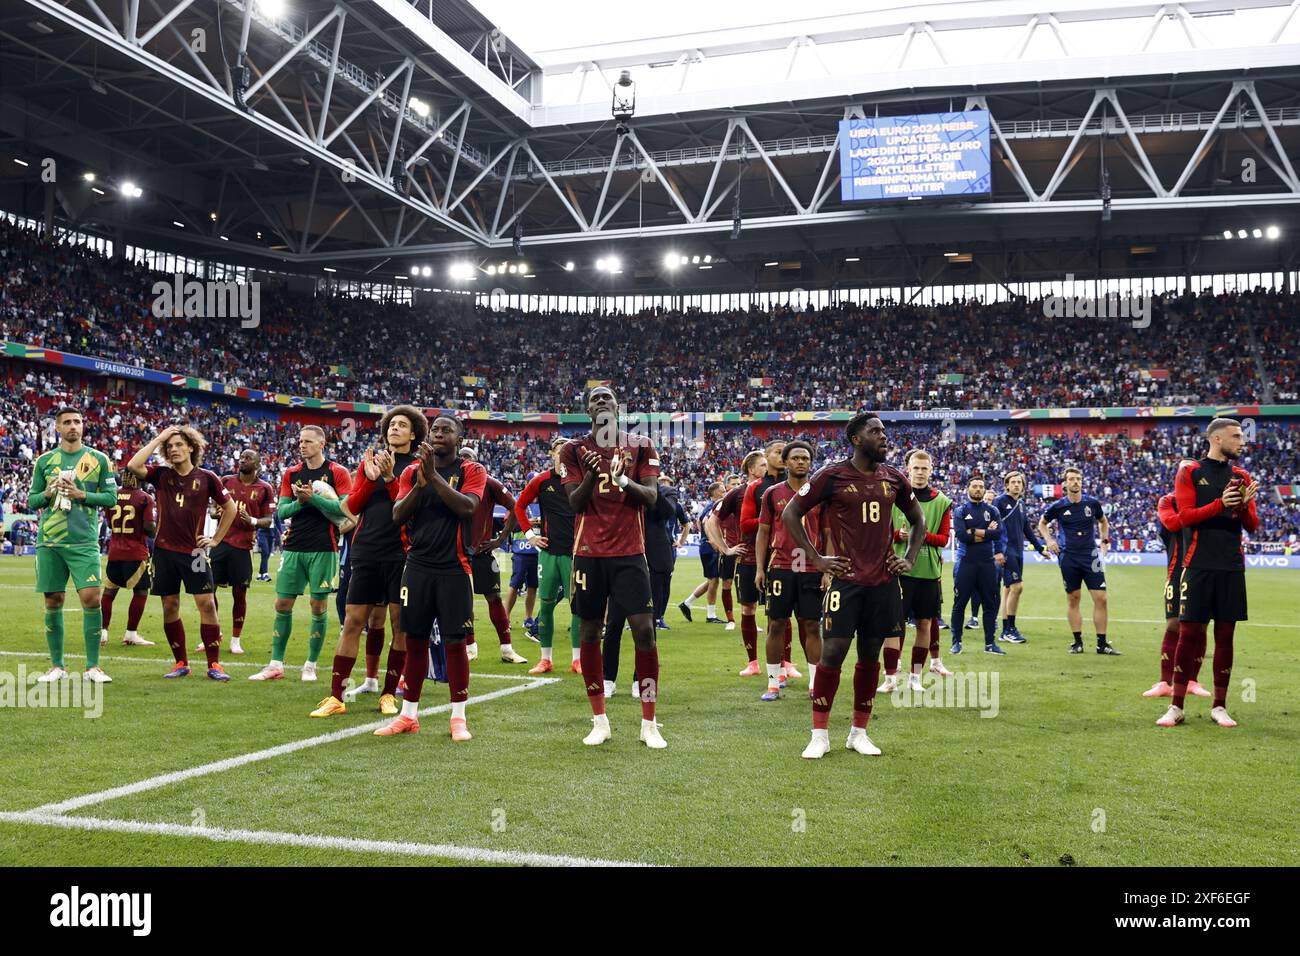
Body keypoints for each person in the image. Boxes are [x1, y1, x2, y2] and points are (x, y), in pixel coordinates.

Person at [782, 413, 926, 759]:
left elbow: (918, 520)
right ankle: (819, 734)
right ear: (856, 439)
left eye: (885, 432)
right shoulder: (830, 475)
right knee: (832, 654)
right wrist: (816, 558)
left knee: (870, 656)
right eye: (876, 432)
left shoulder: (894, 478)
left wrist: (908, 557)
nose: (884, 437)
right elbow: (791, 513)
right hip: (845, 582)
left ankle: (858, 732)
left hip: (883, 583)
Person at [558, 385, 666, 749]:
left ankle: (649, 723)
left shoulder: (641, 445)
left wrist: (622, 480)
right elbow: (574, 504)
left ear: (619, 408)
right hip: (588, 553)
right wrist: (591, 474)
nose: (601, 402)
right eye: (595, 399)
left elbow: (651, 497)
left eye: (608, 398)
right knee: (590, 632)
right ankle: (599, 720)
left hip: (630, 554)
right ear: (587, 410)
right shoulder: (573, 449)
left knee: (645, 632)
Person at [375, 416, 483, 741]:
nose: (438, 434)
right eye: (435, 429)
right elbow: (397, 515)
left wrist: (434, 477)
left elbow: (467, 508)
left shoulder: (471, 471)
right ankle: (409, 715)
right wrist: (420, 486)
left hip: (454, 568)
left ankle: (458, 718)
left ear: (458, 438)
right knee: (416, 640)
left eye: (445, 430)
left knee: (455, 643)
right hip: (417, 567)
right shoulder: (411, 472)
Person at [312, 406, 424, 719]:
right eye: (392, 425)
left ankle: (389, 693)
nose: (395, 429)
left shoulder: (417, 467)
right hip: (366, 549)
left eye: (402, 425)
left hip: (401, 553)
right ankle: (336, 696)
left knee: (399, 624)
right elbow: (354, 506)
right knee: (353, 621)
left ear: (414, 434)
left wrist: (389, 478)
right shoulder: (370, 461)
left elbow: (407, 508)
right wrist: (367, 478)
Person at [1157, 419, 1260, 728]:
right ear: (1217, 438)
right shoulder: (1190, 472)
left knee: (1226, 636)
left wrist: (1242, 506)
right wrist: (1220, 504)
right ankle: (1176, 706)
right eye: (1236, 436)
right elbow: (1184, 517)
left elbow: (1253, 526)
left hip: (1231, 566)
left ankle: (1220, 705)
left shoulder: (1241, 475)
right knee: (1188, 634)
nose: (1242, 442)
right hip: (1198, 565)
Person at [126, 423, 237, 681]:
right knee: (170, 605)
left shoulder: (207, 477)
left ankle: (214, 665)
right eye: (170, 446)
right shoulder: (161, 475)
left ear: (191, 447)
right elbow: (133, 466)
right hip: (164, 553)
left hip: (195, 553)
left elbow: (229, 508)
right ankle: (181, 663)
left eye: (178, 444)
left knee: (207, 604)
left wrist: (216, 540)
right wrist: (159, 438)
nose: (174, 449)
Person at [251, 425, 353, 683]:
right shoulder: (292, 473)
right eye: (300, 441)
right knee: (282, 604)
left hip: (324, 547)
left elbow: (344, 509)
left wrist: (314, 499)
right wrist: (300, 502)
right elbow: (282, 512)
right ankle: (276, 663)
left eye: (308, 441)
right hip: (294, 546)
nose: (302, 445)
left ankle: (311, 664)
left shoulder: (337, 472)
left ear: (322, 444)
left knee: (318, 606)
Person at [29, 406, 119, 683]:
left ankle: (93, 667)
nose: (73, 426)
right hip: (51, 542)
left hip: (84, 541)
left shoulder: (99, 459)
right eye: (67, 422)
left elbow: (111, 498)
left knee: (91, 598)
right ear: (57, 428)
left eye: (77, 421)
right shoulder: (45, 461)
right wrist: (47, 492)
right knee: (53, 599)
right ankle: (57, 666)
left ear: (83, 426)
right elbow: (32, 500)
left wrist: (81, 494)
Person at [754, 440, 823, 701]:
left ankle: (816, 685)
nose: (801, 461)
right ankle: (772, 684)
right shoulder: (772, 493)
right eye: (795, 458)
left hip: (812, 568)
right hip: (781, 567)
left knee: (812, 625)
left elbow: (828, 532)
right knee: (776, 624)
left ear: (810, 462)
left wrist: (826, 568)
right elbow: (763, 532)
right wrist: (760, 568)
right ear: (786, 461)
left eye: (805, 458)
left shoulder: (819, 494)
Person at [881, 448, 953, 691]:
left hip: (928, 573)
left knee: (924, 625)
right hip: (898, 572)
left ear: (931, 471)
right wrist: (896, 535)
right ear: (907, 469)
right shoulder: (893, 497)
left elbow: (943, 539)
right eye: (916, 468)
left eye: (925, 468)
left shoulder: (942, 501)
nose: (920, 472)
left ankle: (915, 678)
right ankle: (890, 678)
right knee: (893, 625)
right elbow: (881, 533)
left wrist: (918, 535)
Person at [515, 438, 583, 675]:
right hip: (548, 554)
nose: (562, 456)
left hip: (576, 554)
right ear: (552, 454)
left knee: (578, 608)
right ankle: (546, 659)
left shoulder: (581, 480)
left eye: (567, 452)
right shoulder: (541, 481)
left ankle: (577, 660)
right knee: (545, 606)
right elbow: (519, 506)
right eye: (558, 451)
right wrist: (530, 535)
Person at [1038, 466, 1119, 655]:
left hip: (1091, 556)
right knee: (1073, 598)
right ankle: (1077, 642)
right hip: (1068, 557)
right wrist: (1049, 540)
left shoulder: (1092, 503)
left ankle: (1102, 643)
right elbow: (1042, 523)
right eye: (1072, 479)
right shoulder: (1058, 506)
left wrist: (1105, 542)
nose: (1076, 482)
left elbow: (1103, 522)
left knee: (1101, 598)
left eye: (1078, 479)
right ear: (1065, 483)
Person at [460, 447, 527, 664]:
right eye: (461, 458)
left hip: (481, 552)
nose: (464, 462)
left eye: (468, 458)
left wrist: (501, 539)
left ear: (478, 463)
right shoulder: (449, 481)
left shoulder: (488, 483)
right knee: (463, 601)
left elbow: (516, 506)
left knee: (494, 598)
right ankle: (470, 647)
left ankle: (507, 649)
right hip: (456, 553)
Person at [1144, 478, 1209, 700]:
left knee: (1200, 625)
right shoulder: (1169, 501)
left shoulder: (1207, 499)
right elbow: (1170, 526)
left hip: (1203, 569)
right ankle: (1164, 681)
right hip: (1176, 569)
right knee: (1173, 623)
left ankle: (1193, 680)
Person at [214, 448, 275, 656]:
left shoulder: (265, 488)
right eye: (241, 457)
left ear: (257, 464)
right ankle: (214, 633)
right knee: (207, 590)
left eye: (248, 458)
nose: (243, 460)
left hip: (243, 546)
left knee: (239, 593)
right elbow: (215, 509)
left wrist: (253, 521)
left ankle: (235, 639)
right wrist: (215, 513)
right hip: (220, 542)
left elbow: (269, 520)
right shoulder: (226, 481)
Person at [711, 453, 767, 672]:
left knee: (778, 613)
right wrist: (726, 548)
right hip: (748, 558)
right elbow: (711, 521)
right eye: (763, 465)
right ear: (752, 469)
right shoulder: (737, 493)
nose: (767, 467)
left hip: (775, 558)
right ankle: (752, 662)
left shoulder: (777, 488)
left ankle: (785, 663)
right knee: (748, 608)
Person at [949, 476, 1007, 656]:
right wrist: (985, 532)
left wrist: (973, 531)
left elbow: (997, 533)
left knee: (990, 604)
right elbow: (961, 535)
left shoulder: (992, 510)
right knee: (960, 604)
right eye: (974, 486)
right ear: (968, 489)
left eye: (981, 487)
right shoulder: (960, 510)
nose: (978, 489)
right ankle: (956, 642)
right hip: (967, 563)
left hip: (987, 564)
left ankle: (990, 644)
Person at [101, 468, 157, 649]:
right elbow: (149, 528)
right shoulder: (145, 498)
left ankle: (102, 632)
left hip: (115, 551)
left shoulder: (112, 496)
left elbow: (109, 523)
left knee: (109, 593)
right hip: (135, 552)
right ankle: (131, 634)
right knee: (140, 592)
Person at [992, 470, 1047, 643]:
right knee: (1017, 587)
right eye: (1013, 482)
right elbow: (992, 528)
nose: (1016, 485)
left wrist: (1039, 548)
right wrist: (997, 551)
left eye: (1019, 482)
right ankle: (1010, 629)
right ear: (1007, 485)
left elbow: (1027, 529)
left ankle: (1005, 630)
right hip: (1006, 551)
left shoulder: (1021, 504)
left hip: (1018, 551)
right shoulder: (999, 502)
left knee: (1009, 589)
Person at [678, 480, 727, 624]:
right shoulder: (716, 505)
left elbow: (699, 522)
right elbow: (705, 522)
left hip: (706, 545)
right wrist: (712, 539)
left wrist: (705, 537)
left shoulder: (708, 506)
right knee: (714, 580)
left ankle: (687, 603)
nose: (725, 490)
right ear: (715, 492)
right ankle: (710, 615)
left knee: (712, 579)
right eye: (722, 489)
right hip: (710, 546)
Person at [703, 472, 746, 631]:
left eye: (738, 484)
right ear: (726, 487)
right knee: (727, 583)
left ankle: (749, 620)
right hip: (730, 548)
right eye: (732, 484)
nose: (736, 487)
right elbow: (707, 522)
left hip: (746, 549)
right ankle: (731, 620)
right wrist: (717, 543)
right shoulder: (722, 503)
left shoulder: (748, 500)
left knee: (746, 586)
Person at [647, 474, 689, 629]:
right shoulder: (645, 496)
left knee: (664, 582)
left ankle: (660, 617)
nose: (664, 485)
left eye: (667, 484)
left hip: (667, 546)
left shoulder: (675, 505)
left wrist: (680, 542)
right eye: (661, 483)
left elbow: (687, 524)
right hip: (650, 543)